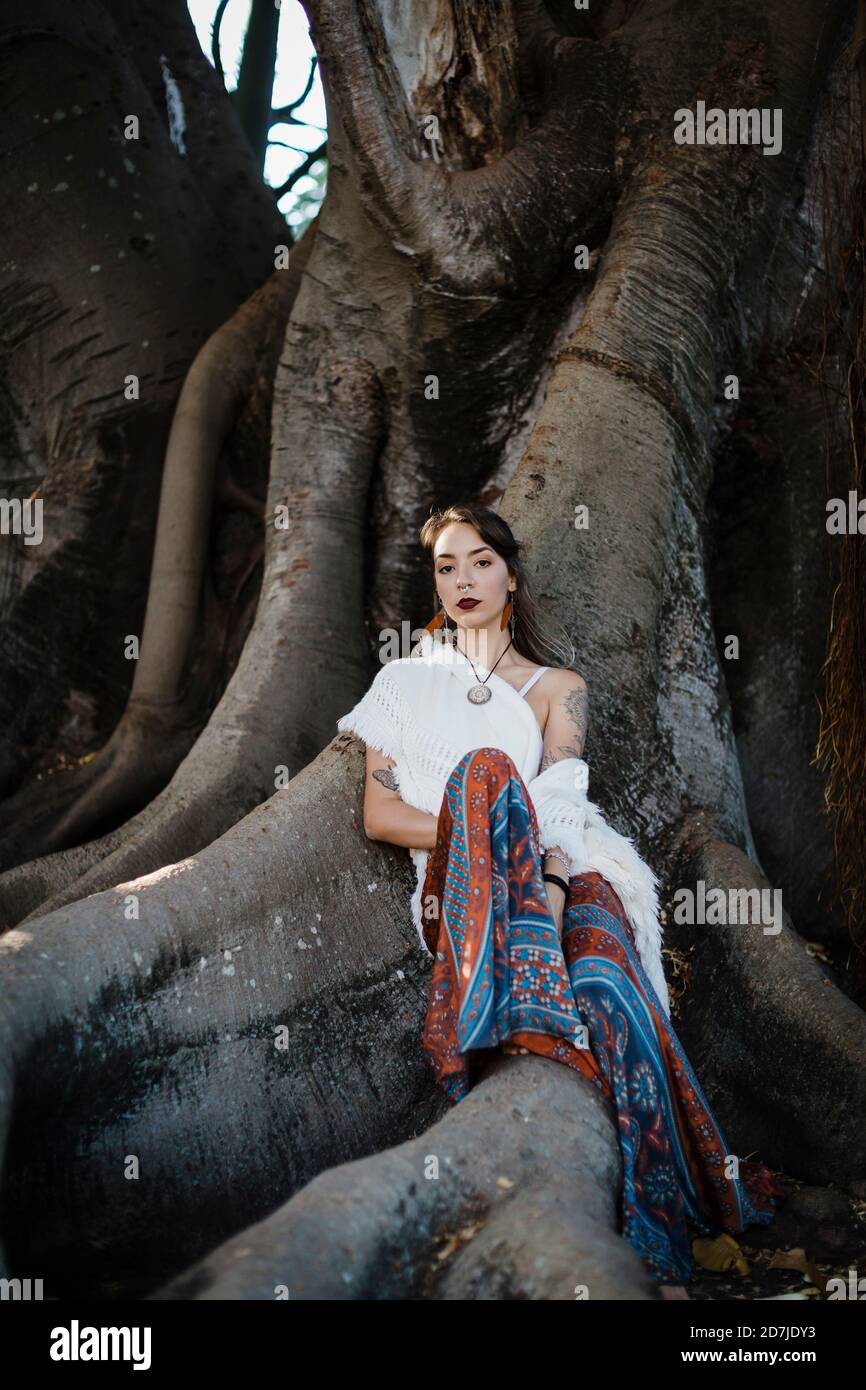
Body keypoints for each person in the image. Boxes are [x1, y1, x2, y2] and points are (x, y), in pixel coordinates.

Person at [336, 504, 781, 1297]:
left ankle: (658, 1231)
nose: (463, 579)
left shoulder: (558, 689)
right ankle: (498, 1001)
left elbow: (564, 800)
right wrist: (487, 829)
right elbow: (381, 814)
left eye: (480, 562)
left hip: (566, 866)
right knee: (484, 774)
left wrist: (546, 878)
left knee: (609, 987)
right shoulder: (404, 681)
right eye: (446, 567)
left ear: (511, 574)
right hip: (468, 882)